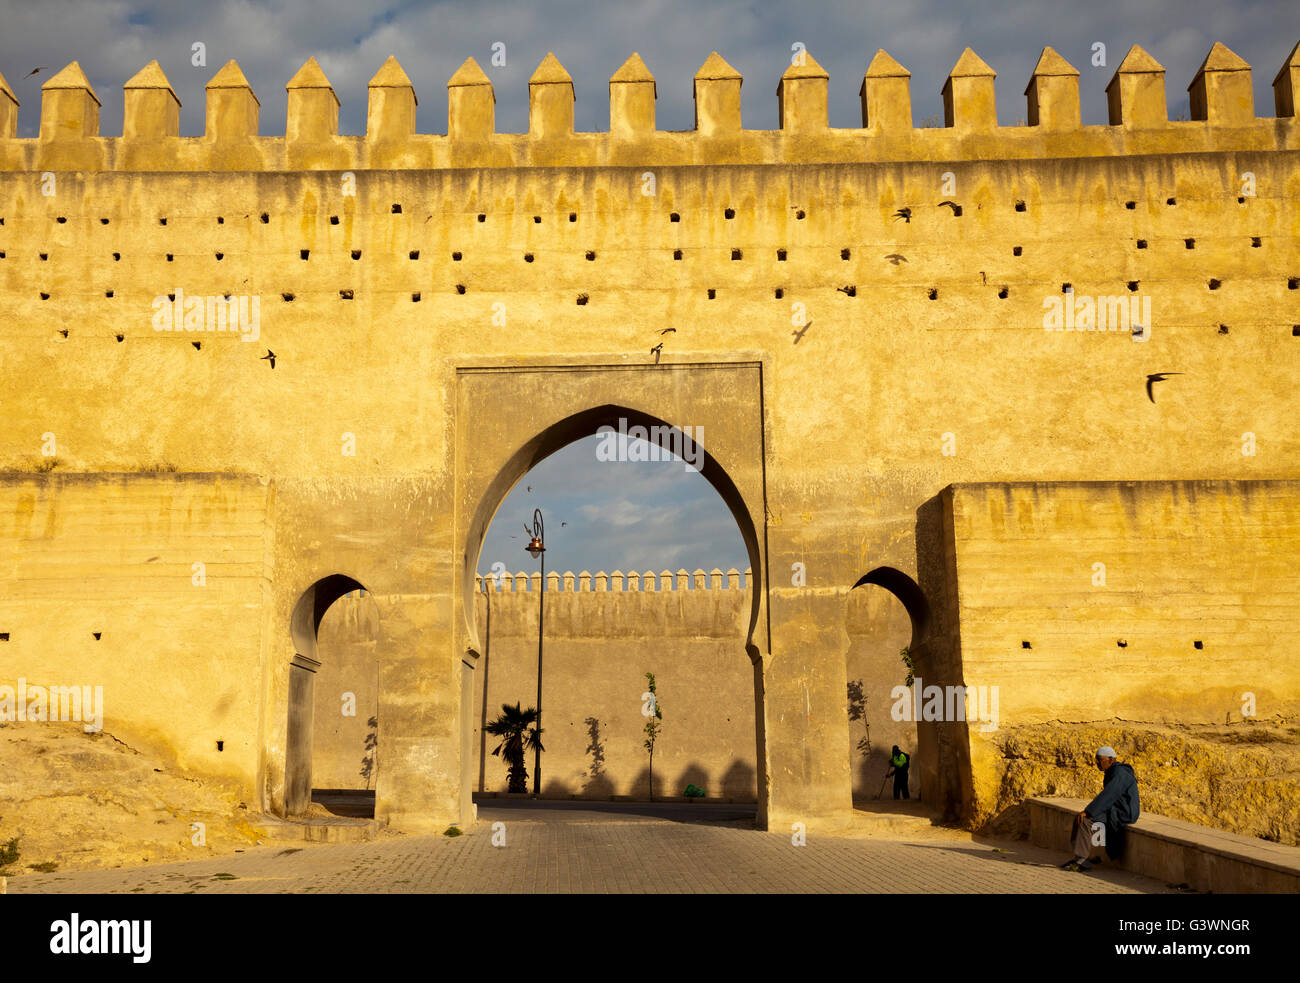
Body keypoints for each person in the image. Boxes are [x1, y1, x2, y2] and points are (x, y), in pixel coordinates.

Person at [1062, 745, 1140, 872]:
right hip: (1116, 809)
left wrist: (1088, 811)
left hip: (1124, 813)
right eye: (1096, 760)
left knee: (1085, 820)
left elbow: (1109, 795)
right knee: (1081, 818)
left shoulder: (1120, 773)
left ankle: (1081, 860)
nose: (1097, 763)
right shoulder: (1112, 772)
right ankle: (1078, 857)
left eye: (1100, 760)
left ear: (1111, 760)